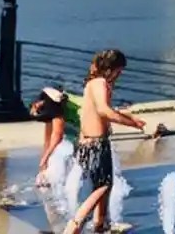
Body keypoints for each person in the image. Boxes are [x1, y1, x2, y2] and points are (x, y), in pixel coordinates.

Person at [62, 50, 147, 234]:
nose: (120, 74)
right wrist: (131, 123)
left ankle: (100, 224)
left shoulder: (92, 84)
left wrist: (127, 116)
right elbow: (104, 111)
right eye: (119, 70)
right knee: (104, 186)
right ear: (110, 69)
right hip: (95, 144)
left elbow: (101, 110)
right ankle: (75, 224)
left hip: (87, 143)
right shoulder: (100, 83)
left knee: (102, 184)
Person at [30, 87, 68, 188]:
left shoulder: (53, 107)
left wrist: (45, 157)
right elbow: (48, 139)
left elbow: (57, 135)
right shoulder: (47, 102)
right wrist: (44, 169)